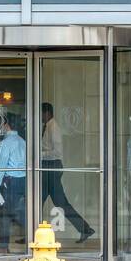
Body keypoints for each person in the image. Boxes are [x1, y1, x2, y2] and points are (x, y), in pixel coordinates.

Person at [40, 102, 95, 244]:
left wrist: (40, 154)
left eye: (41, 114)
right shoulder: (48, 127)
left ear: (46, 113)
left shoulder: (54, 128)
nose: (40, 117)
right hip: (48, 167)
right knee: (41, 201)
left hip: (51, 167)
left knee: (51, 201)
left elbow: (57, 152)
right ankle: (84, 229)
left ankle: (85, 229)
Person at [0, 113, 26, 252]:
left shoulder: (5, 144)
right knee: (16, 212)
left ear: (7, 125)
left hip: (10, 182)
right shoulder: (23, 141)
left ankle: (3, 246)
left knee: (5, 215)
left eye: (2, 124)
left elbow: (0, 167)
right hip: (23, 181)